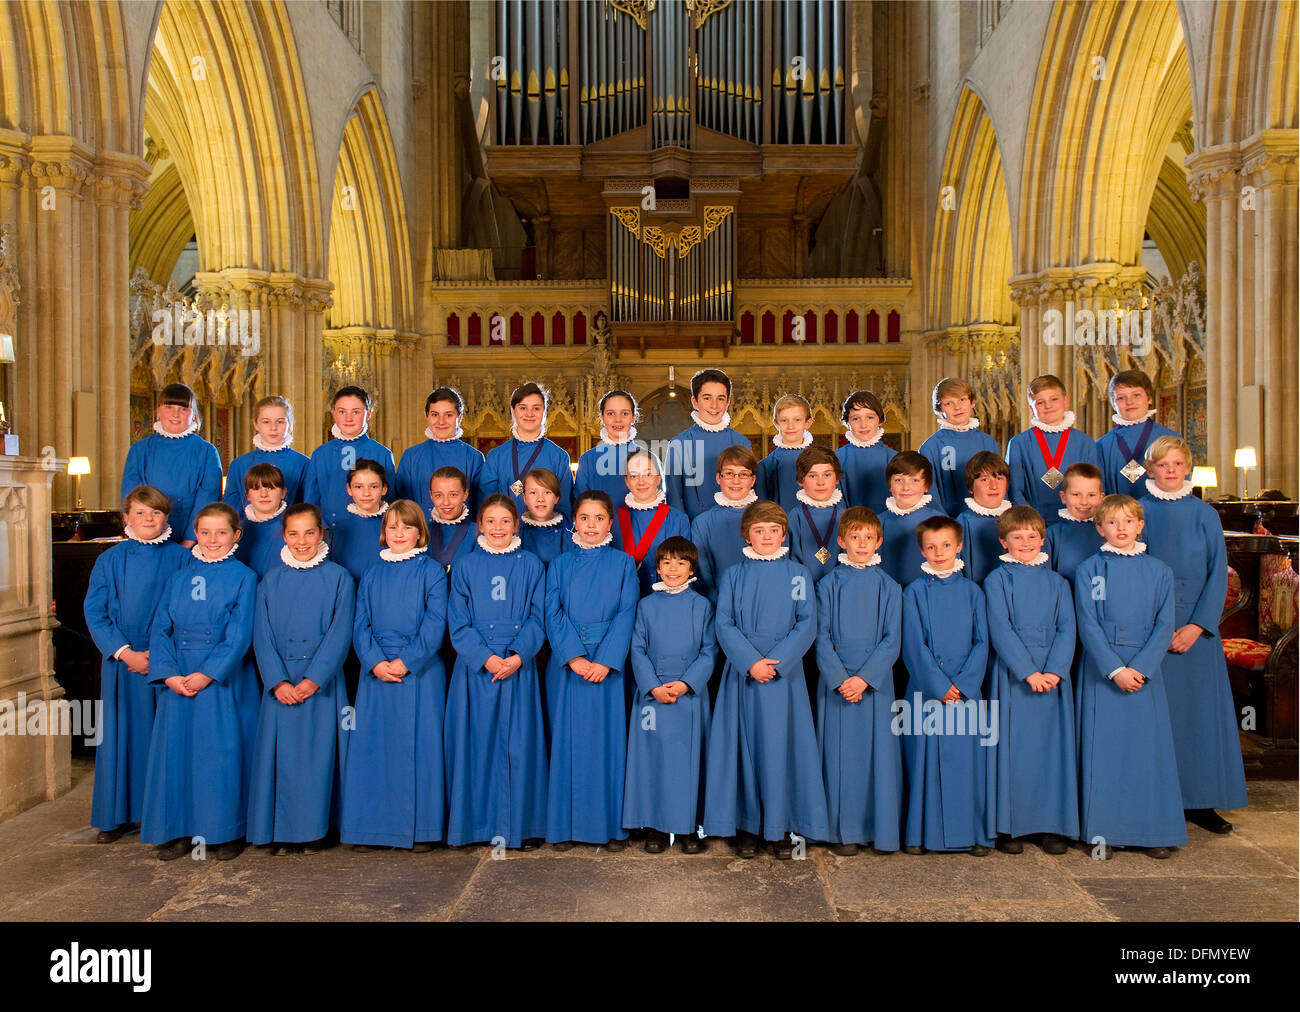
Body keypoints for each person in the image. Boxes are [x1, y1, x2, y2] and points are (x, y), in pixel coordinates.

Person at [702, 501, 829, 859]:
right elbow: (724, 622)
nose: (767, 537)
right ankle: (746, 826)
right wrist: (751, 662)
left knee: (781, 749)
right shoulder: (733, 575)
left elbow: (806, 622)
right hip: (743, 672)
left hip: (784, 676)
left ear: (784, 534)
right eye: (759, 531)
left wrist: (777, 663)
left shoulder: (799, 574)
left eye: (774, 530)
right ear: (747, 535)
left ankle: (779, 827)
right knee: (742, 747)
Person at [1140, 436, 1248, 833]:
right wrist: (1158, 628)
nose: (1170, 471)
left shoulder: (1206, 514)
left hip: (1196, 632)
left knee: (1199, 717)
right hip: (1150, 628)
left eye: (1177, 464)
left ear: (1187, 467)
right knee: (1156, 718)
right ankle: (1156, 799)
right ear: (1150, 469)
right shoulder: (1137, 510)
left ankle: (1201, 802)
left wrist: (1198, 626)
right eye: (1162, 464)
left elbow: (1218, 574)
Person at [141, 503, 258, 861]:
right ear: (195, 534)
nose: (212, 540)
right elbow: (161, 628)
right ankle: (178, 829)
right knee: (176, 754)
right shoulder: (179, 577)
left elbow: (240, 633)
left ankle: (224, 831)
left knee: (219, 755)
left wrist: (208, 672)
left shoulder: (244, 577)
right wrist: (169, 674)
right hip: (178, 676)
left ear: (236, 535)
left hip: (220, 678)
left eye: (221, 533)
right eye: (205, 532)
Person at [1074, 494, 1184, 859]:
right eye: (1112, 522)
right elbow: (1088, 623)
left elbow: (1164, 624)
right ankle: (1103, 832)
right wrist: (1116, 669)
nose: (1121, 528)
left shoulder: (1160, 571)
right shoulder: (1090, 570)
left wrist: (1139, 668)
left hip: (1144, 672)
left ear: (1141, 525)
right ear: (1099, 528)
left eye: (1128, 521)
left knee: (1146, 753)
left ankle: (1152, 832)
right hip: (1103, 671)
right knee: (1103, 753)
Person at [83, 485, 189, 842]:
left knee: (165, 738)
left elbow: (187, 612)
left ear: (166, 517)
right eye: (140, 512)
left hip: (168, 661)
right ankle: (118, 814)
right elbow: (95, 613)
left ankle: (163, 815)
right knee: (122, 735)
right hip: (123, 662)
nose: (148, 518)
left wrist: (159, 657)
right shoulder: (110, 559)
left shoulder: (183, 558)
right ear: (126, 517)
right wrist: (125, 652)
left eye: (156, 512)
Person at [340, 500, 448, 851]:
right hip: (377, 672)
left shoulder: (432, 572)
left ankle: (422, 830)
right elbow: (361, 624)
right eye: (392, 527)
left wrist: (407, 661)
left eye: (407, 527)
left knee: (422, 748)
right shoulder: (372, 573)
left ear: (420, 533)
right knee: (374, 748)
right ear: (383, 532)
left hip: (420, 670)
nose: (399, 533)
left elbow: (436, 622)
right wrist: (374, 662)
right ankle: (372, 829)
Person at [247, 504, 355, 854]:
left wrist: (314, 679)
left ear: (322, 534)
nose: (302, 541)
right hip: (280, 683)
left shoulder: (339, 578)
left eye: (310, 532)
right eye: (293, 533)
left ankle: (318, 829)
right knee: (282, 759)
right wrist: (277, 682)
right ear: (283, 536)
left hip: (321, 683)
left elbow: (340, 633)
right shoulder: (269, 580)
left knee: (319, 758)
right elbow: (261, 636)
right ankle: (281, 831)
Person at [445, 494, 549, 851]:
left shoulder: (531, 564)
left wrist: (518, 656)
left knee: (521, 745)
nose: (498, 527)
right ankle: (474, 826)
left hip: (518, 664)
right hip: (477, 667)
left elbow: (539, 616)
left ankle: (523, 825)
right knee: (477, 746)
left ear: (517, 525)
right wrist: (485, 658)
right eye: (490, 521)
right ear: (479, 526)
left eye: (505, 521)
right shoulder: (465, 565)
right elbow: (458, 622)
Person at [544, 490, 640, 850]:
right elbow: (552, 612)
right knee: (566, 744)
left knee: (608, 744)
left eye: (599, 518)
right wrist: (573, 657)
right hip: (569, 666)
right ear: (574, 521)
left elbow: (627, 612)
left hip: (607, 666)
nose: (591, 525)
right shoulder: (559, 565)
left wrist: (605, 660)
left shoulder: (624, 564)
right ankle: (564, 826)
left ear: (610, 523)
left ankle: (610, 827)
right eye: (584, 518)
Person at [983, 506, 1078, 856]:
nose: (1026, 543)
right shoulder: (996, 580)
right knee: (1013, 749)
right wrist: (1028, 672)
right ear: (1003, 541)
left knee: (1052, 750)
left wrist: (1054, 670)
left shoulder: (1058, 583)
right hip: (1014, 674)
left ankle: (1052, 825)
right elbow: (1000, 628)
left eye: (1032, 536)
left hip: (1052, 675)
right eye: (1017, 537)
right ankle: (1011, 824)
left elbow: (1067, 628)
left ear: (1043, 539)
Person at [900, 516, 992, 856]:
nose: (939, 553)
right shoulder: (912, 592)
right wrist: (939, 686)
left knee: (967, 762)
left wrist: (964, 685)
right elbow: (914, 644)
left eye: (946, 546)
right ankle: (921, 835)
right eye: (931, 547)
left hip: (966, 691)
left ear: (959, 547)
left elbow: (982, 642)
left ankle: (973, 834)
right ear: (922, 551)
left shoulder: (973, 592)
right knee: (923, 759)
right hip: (927, 689)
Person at [814, 507, 903, 855]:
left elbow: (892, 640)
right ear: (841, 541)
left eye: (869, 537)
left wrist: (864, 679)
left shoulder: (890, 587)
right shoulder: (827, 585)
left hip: (875, 684)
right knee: (839, 758)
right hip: (837, 683)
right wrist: (841, 679)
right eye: (855, 537)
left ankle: (878, 830)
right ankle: (843, 831)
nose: (862, 544)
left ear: (879, 542)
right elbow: (821, 637)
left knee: (876, 758)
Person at [622, 537, 717, 854]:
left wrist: (687, 683)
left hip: (688, 694)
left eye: (680, 562)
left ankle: (689, 827)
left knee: (688, 762)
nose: (673, 568)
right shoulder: (646, 605)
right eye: (666, 562)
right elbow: (637, 649)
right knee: (652, 760)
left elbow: (709, 651)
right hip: (653, 694)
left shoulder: (702, 606)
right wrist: (652, 685)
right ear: (657, 568)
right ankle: (655, 826)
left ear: (692, 568)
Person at [120, 382, 221, 546]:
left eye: (183, 409)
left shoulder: (207, 451)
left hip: (193, 539)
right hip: (147, 538)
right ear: (158, 411)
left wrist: (190, 539)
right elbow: (131, 497)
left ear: (193, 414)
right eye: (169, 407)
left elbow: (208, 498)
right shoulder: (140, 450)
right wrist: (144, 535)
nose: (175, 414)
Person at [1005, 374, 1100, 525]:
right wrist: (1032, 522)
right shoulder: (1018, 443)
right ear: (1031, 409)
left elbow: (1095, 486)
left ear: (1066, 401)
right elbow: (1014, 491)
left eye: (1054, 399)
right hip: (1032, 525)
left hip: (1078, 522)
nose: (1048, 406)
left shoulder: (1085, 442)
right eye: (1040, 402)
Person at [663, 368, 751, 521]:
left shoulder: (741, 442)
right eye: (707, 398)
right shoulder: (678, 444)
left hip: (737, 524)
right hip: (693, 526)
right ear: (695, 402)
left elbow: (749, 489)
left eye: (721, 398)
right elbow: (674, 497)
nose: (714, 405)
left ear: (728, 402)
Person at [302, 386, 395, 530]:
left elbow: (391, 500)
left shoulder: (382, 454)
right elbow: (310, 501)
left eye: (356, 412)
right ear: (333, 413)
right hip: (330, 532)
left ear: (368, 414)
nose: (348, 418)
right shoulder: (320, 454)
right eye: (342, 412)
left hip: (372, 530)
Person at [482, 381, 574, 515]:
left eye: (536, 408)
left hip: (546, 528)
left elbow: (565, 508)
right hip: (504, 527)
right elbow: (486, 505)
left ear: (544, 412)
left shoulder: (559, 456)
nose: (529, 414)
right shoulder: (496, 456)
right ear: (513, 411)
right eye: (523, 408)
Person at [395, 386, 486, 520]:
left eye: (448, 415)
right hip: (420, 531)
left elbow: (481, 506)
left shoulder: (474, 458)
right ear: (427, 416)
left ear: (459, 417)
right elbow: (401, 505)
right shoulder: (411, 456)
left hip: (463, 531)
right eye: (435, 414)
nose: (441, 421)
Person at [613, 448, 691, 596]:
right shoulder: (614, 520)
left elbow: (686, 568)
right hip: (624, 597)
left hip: (666, 598)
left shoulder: (679, 519)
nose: (641, 481)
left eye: (648, 474)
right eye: (634, 476)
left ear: (659, 478)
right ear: (627, 482)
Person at [917, 378, 1001, 516]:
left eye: (962, 400)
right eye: (948, 403)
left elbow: (1000, 483)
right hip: (947, 520)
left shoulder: (988, 442)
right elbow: (930, 494)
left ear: (972, 402)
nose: (957, 407)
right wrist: (945, 522)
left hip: (988, 517)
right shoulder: (930, 447)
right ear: (939, 409)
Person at [689, 445, 760, 604]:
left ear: (753, 480)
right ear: (718, 478)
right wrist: (722, 604)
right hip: (718, 603)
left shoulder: (768, 518)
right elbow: (703, 577)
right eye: (729, 474)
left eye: (743, 474)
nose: (736, 481)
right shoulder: (702, 523)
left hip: (761, 601)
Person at [1096, 369, 1180, 496]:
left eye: (1136, 395)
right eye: (1121, 398)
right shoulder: (1102, 446)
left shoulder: (1173, 440)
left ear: (1149, 398)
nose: (1129, 402)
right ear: (1113, 403)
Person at [223, 395, 310, 509]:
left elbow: (308, 506)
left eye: (280, 422)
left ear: (290, 425)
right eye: (266, 422)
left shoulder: (303, 463)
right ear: (255, 424)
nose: (273, 427)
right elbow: (231, 509)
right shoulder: (238, 464)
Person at [878, 451, 947, 586]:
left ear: (927, 486)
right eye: (899, 480)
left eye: (915, 480)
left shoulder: (942, 523)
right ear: (890, 485)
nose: (906, 487)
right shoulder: (877, 523)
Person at [786, 444, 846, 584]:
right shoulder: (792, 518)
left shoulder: (847, 517)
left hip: (838, 589)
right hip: (802, 588)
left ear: (837, 478)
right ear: (801, 480)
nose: (820, 482)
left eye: (827, 475)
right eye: (812, 476)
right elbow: (788, 566)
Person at [575, 390, 644, 505]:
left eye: (625, 413)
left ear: (633, 417)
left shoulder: (648, 458)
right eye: (611, 413)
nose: (618, 420)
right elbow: (580, 503)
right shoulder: (587, 459)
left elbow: (658, 504)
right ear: (602, 418)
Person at [955, 451, 1014, 584]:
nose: (993, 486)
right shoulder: (962, 524)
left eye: (999, 478)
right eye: (985, 479)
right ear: (970, 487)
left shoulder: (1018, 520)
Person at [327, 459, 390, 582]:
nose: (366, 493)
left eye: (374, 486)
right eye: (358, 487)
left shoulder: (394, 525)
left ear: (384, 488)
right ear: (349, 489)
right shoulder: (337, 527)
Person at [1044, 462, 1107, 585]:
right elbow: (1048, 581)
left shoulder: (1110, 532)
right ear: (1063, 497)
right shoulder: (1051, 535)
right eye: (1076, 494)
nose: (1084, 502)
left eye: (1091, 495)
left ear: (1101, 498)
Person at [835, 389, 895, 513]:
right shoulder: (835, 459)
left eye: (870, 417)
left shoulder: (895, 459)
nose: (863, 425)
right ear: (847, 422)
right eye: (856, 419)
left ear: (880, 420)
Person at [757, 394, 817, 514]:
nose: (790, 426)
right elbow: (762, 509)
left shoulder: (822, 462)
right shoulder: (764, 466)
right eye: (784, 420)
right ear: (776, 424)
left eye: (797, 420)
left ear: (808, 423)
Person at [238, 463, 290, 577]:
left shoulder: (293, 528)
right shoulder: (237, 530)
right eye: (256, 488)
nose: (264, 494)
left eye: (270, 488)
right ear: (248, 495)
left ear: (283, 493)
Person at [426, 466, 478, 572]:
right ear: (431, 496)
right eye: (438, 495)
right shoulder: (422, 532)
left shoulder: (478, 533)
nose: (446, 502)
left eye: (453, 495)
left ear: (465, 494)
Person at [517, 468, 571, 565]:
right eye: (533, 492)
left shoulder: (569, 538)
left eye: (547, 492)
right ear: (524, 498)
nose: (540, 499)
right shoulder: (516, 536)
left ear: (557, 498)